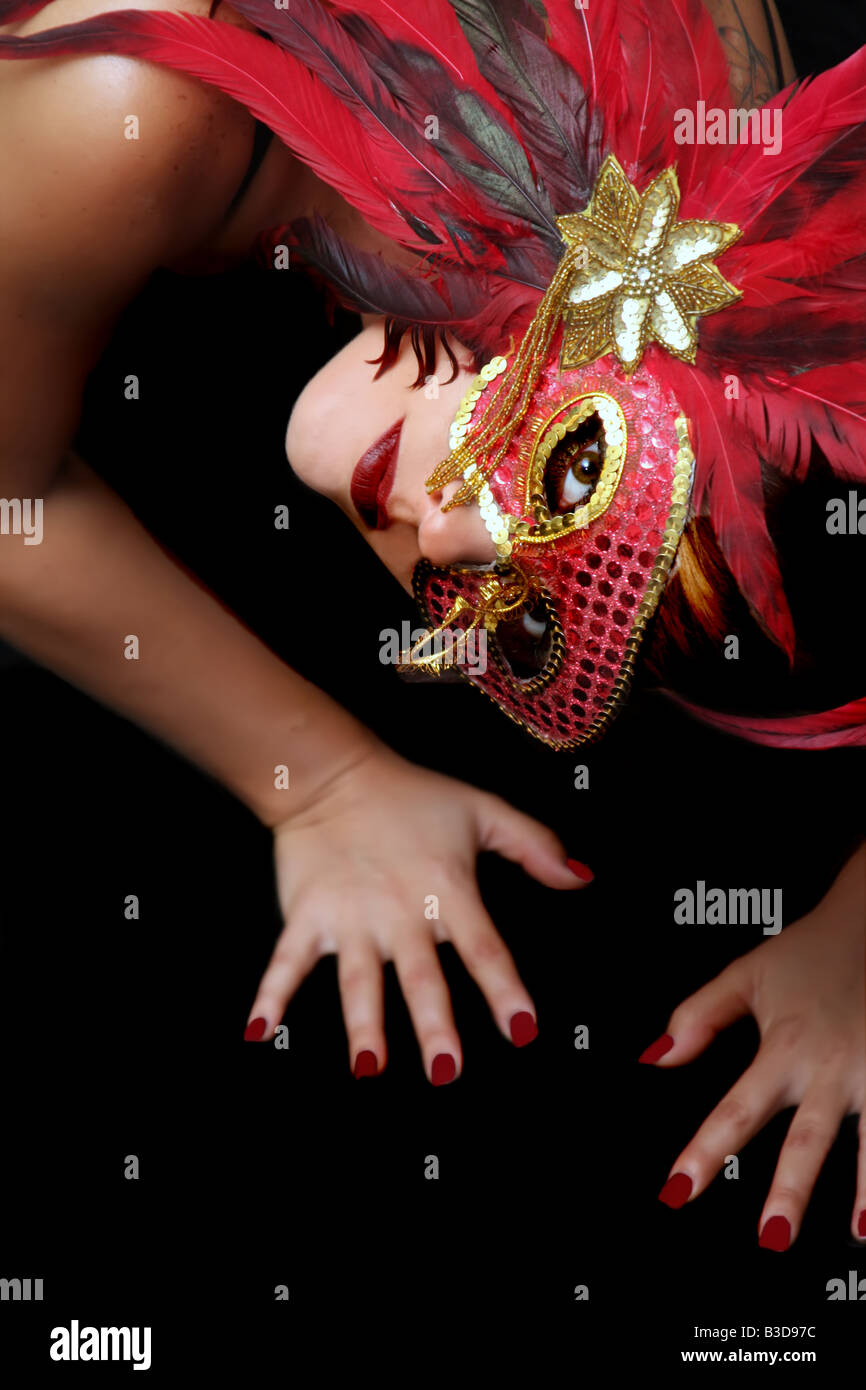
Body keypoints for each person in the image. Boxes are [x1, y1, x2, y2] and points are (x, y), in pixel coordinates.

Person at [1, 0, 863, 1252]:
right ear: (641, 292)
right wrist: (317, 780)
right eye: (573, 483)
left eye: (514, 628)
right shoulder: (136, 109)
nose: (451, 554)